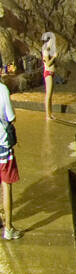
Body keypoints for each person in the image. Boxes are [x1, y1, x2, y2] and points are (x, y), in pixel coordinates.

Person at [0, 79, 19, 239]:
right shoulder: (2, 89)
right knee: (6, 185)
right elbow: (11, 117)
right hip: (2, 145)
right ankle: (8, 228)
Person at [42, 46, 55, 120]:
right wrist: (54, 57)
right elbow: (48, 64)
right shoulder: (45, 52)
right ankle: (47, 115)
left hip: (51, 73)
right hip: (48, 74)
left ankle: (50, 113)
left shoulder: (49, 51)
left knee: (50, 95)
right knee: (48, 95)